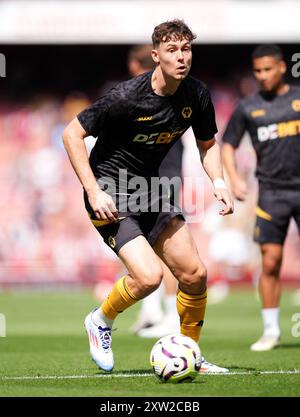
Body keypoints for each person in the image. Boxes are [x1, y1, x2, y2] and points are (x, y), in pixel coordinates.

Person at [62, 19, 233, 373]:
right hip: (110, 191)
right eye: (172, 51)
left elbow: (208, 144)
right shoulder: (126, 97)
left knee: (194, 274)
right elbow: (71, 134)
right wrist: (93, 190)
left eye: (186, 49)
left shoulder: (197, 94)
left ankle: (190, 352)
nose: (181, 57)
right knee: (149, 278)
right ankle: (100, 320)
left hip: (152, 191)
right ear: (156, 56)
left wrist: (218, 180)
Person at [222, 44, 300, 351]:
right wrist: (234, 177)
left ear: (282, 67)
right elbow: (227, 145)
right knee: (271, 261)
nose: (263, 75)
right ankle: (270, 331)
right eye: (258, 71)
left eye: (268, 69)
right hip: (271, 193)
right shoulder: (247, 107)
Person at [126, 44, 183, 337]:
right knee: (147, 249)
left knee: (167, 250)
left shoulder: (160, 100)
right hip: (150, 181)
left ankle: (172, 318)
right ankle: (153, 312)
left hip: (163, 180)